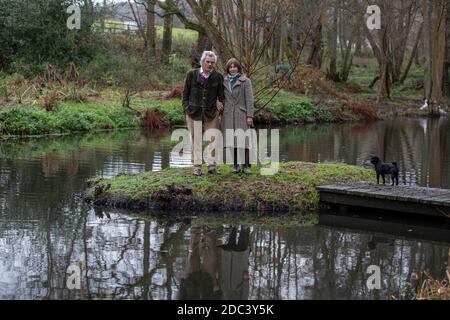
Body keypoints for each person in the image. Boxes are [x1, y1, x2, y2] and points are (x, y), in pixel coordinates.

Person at [182, 51, 225, 176]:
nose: (210, 64)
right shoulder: (191, 74)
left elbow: (222, 96)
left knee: (213, 138)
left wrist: (220, 103)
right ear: (202, 61)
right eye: (208, 62)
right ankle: (197, 166)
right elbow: (185, 94)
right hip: (193, 112)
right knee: (196, 139)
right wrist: (186, 107)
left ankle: (212, 166)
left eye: (212, 62)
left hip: (211, 112)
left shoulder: (218, 77)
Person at [221, 58, 255, 174]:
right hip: (228, 115)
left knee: (244, 140)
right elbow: (221, 97)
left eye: (235, 66)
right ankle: (235, 165)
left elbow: (249, 100)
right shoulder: (224, 81)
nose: (232, 69)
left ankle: (245, 166)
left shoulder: (246, 81)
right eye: (230, 67)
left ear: (238, 68)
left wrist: (249, 115)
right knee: (232, 140)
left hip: (242, 114)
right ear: (227, 69)